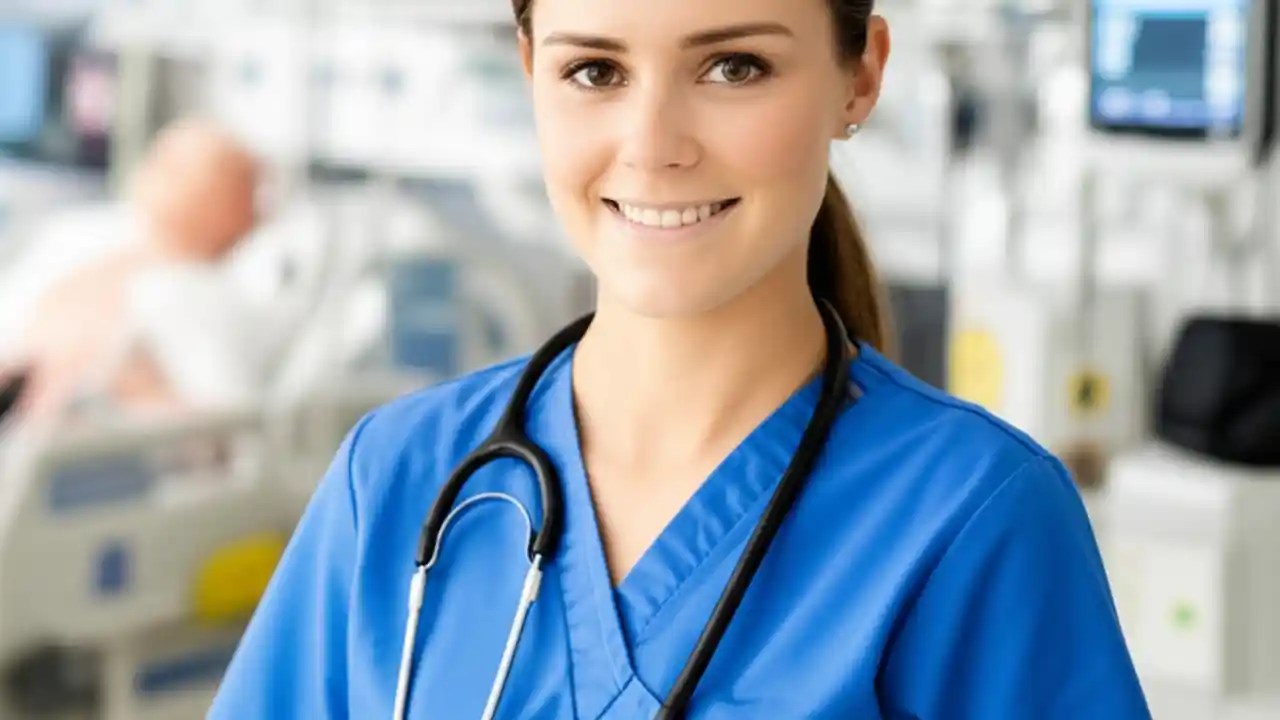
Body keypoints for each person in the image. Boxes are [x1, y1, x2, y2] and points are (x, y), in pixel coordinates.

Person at [210, 1, 1151, 718]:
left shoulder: (971, 520)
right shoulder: (401, 479)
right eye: (594, 72)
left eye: (734, 67)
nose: (653, 146)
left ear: (859, 77)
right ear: (531, 71)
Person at [0, 118, 262, 422]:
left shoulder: (195, 296)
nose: (156, 170)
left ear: (233, 209)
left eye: (182, 168)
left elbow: (226, 425)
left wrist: (143, 392)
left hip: (49, 440)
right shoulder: (81, 238)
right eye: (163, 157)